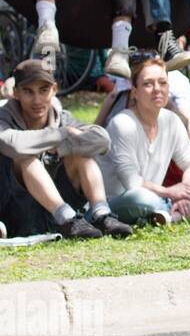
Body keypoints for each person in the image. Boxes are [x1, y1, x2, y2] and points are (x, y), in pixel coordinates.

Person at [0, 58, 132, 238]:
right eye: (28, 92)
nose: (37, 100)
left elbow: (102, 140)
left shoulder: (63, 118)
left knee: (82, 153)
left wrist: (62, 148)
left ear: (54, 89)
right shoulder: (4, 117)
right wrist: (60, 134)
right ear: (16, 93)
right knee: (26, 158)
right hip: (16, 213)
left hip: (65, 214)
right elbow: (13, 144)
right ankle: (66, 218)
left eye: (44, 90)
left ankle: (102, 215)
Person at [101, 58, 190, 224]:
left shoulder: (172, 120)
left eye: (163, 83)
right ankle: (189, 212)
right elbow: (131, 182)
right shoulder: (122, 124)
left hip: (159, 196)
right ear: (135, 92)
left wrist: (184, 193)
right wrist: (170, 193)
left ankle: (171, 215)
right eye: (148, 84)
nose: (157, 89)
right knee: (142, 198)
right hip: (122, 199)